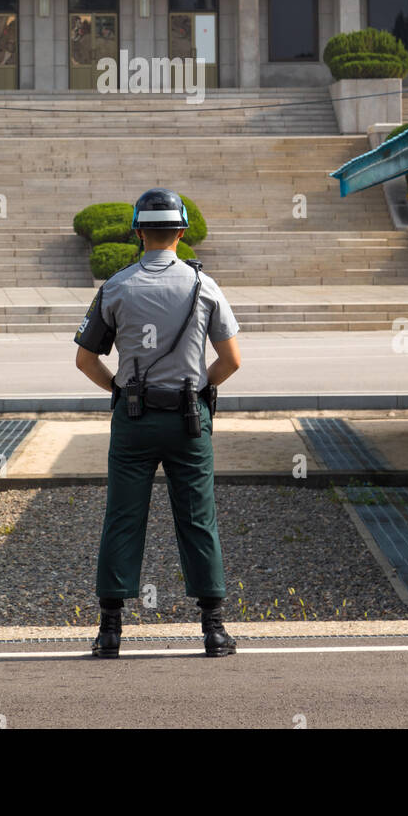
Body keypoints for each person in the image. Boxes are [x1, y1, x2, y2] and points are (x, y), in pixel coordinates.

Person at [74, 188, 242, 659]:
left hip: (134, 419)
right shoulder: (203, 286)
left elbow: (86, 360)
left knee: (123, 517)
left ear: (137, 232)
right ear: (183, 232)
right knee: (197, 519)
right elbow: (231, 360)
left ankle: (109, 631)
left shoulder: (117, 286)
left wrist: (119, 390)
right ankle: (213, 629)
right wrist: (199, 388)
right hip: (189, 420)